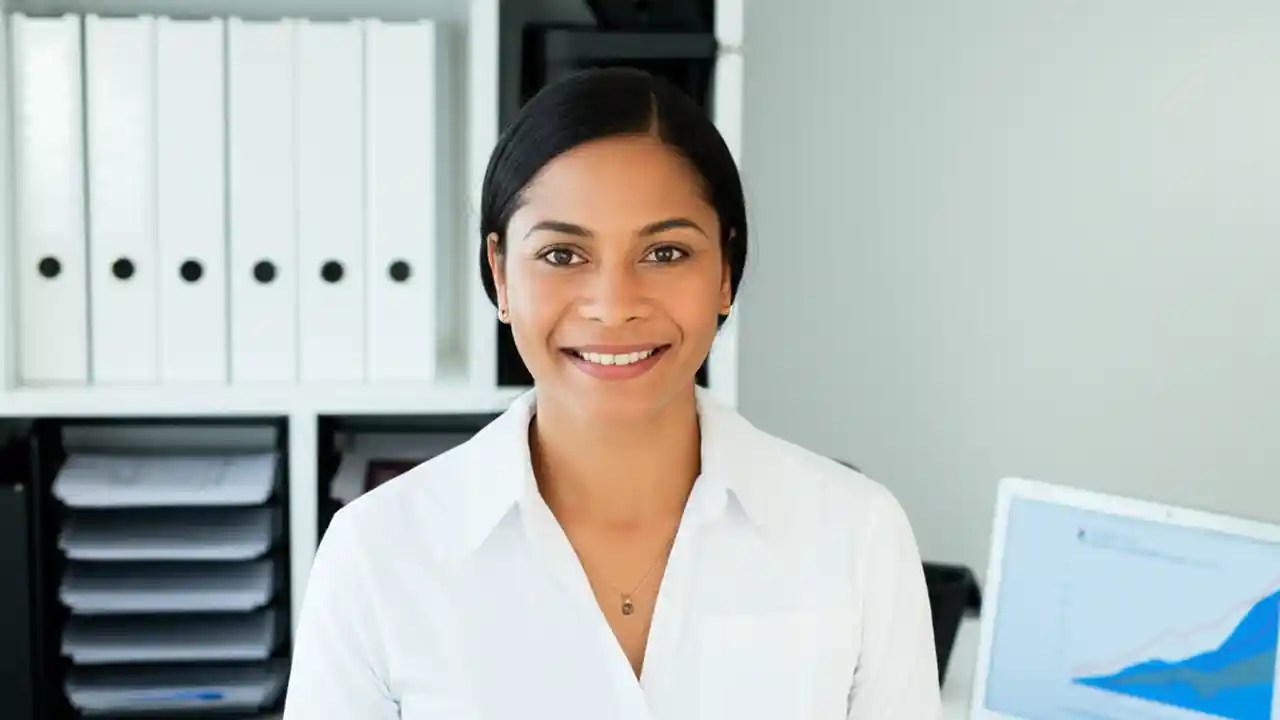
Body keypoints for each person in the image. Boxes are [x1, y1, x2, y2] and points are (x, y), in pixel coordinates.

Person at [284, 67, 941, 719]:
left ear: (725, 271)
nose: (613, 306)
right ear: (500, 274)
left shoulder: (857, 536)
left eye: (665, 253)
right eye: (563, 256)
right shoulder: (376, 555)